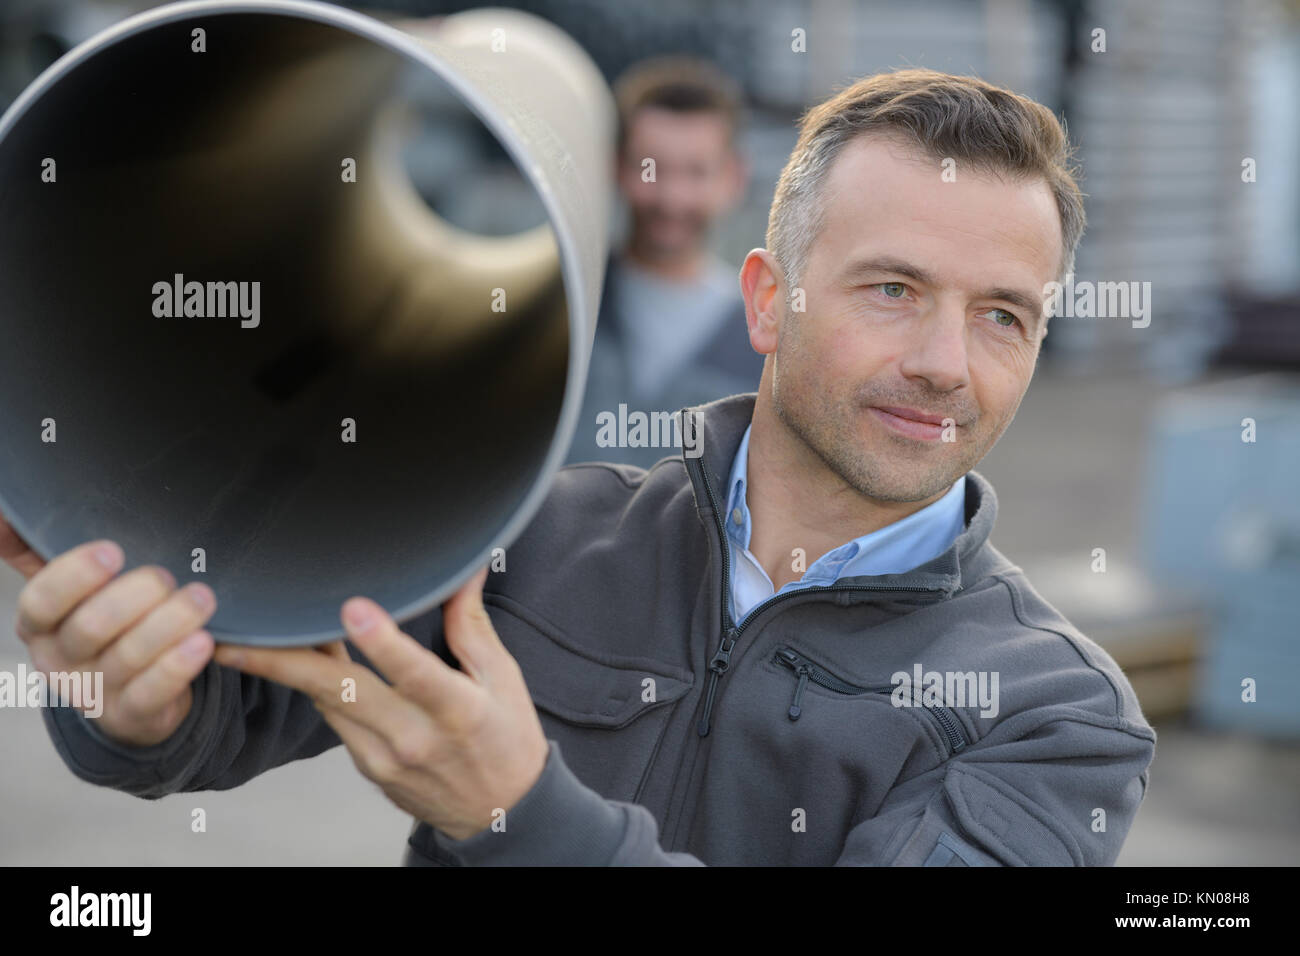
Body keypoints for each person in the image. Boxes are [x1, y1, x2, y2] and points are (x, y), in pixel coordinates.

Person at [5, 68, 1155, 866]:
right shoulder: (528, 533)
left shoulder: (1057, 717)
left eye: (1004, 315)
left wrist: (516, 812)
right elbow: (238, 704)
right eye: (892, 289)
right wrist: (131, 698)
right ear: (766, 300)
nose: (945, 363)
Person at [566, 55, 763, 467]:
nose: (672, 199)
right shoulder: (562, 306)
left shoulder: (763, 342)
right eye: (651, 169)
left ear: (733, 178)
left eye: (695, 172)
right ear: (615, 167)